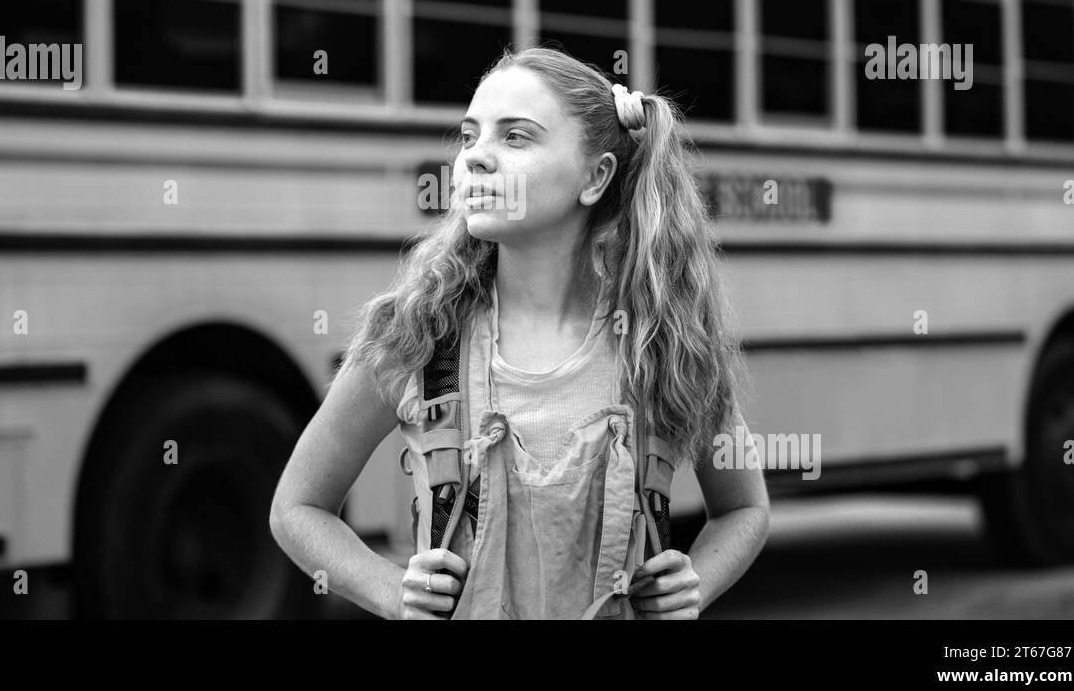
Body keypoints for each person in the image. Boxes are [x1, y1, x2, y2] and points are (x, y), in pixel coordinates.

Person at [270, 45, 769, 619]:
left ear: (596, 177)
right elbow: (297, 507)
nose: (476, 158)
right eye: (468, 136)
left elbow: (743, 509)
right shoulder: (418, 334)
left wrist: (695, 583)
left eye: (515, 137)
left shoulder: (660, 341)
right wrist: (390, 591)